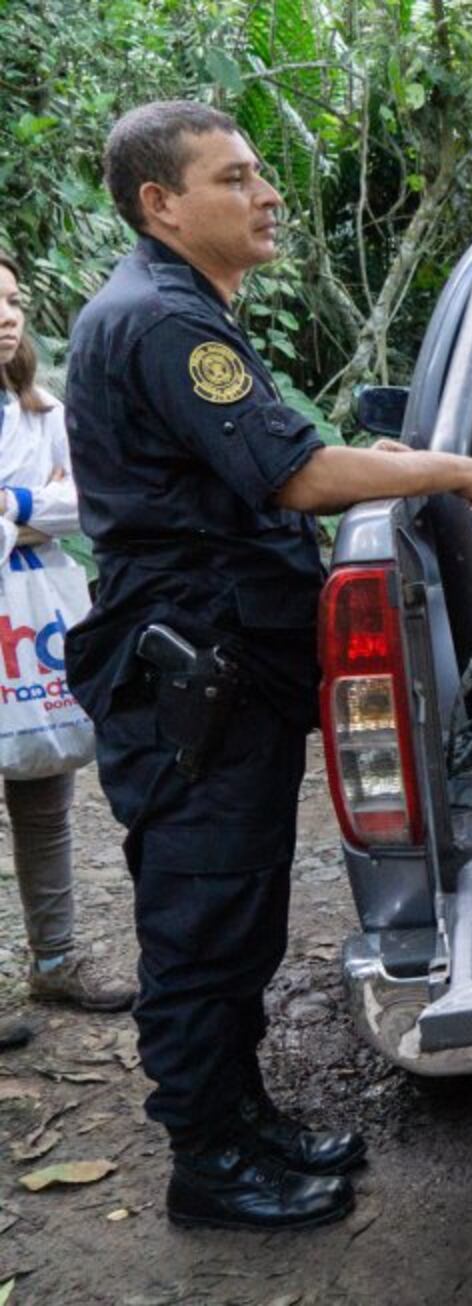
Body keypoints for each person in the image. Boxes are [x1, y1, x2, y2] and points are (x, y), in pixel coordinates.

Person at [64, 101, 472, 1232]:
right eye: (237, 177)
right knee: (203, 912)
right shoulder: (166, 321)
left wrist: (396, 459)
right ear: (161, 204)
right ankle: (206, 1165)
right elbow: (298, 476)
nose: (267, 195)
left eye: (261, 174)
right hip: (190, 677)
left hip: (226, 672)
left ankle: (242, 1120)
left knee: (243, 903)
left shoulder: (180, 312)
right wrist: (450, 469)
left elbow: (277, 453)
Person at [1, 252, 138, 1048]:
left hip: (35, 618)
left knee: (46, 800)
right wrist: (36, 509)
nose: (8, 316)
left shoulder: (39, 404)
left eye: (14, 300)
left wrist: (19, 504)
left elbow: (87, 498)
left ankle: (56, 959)